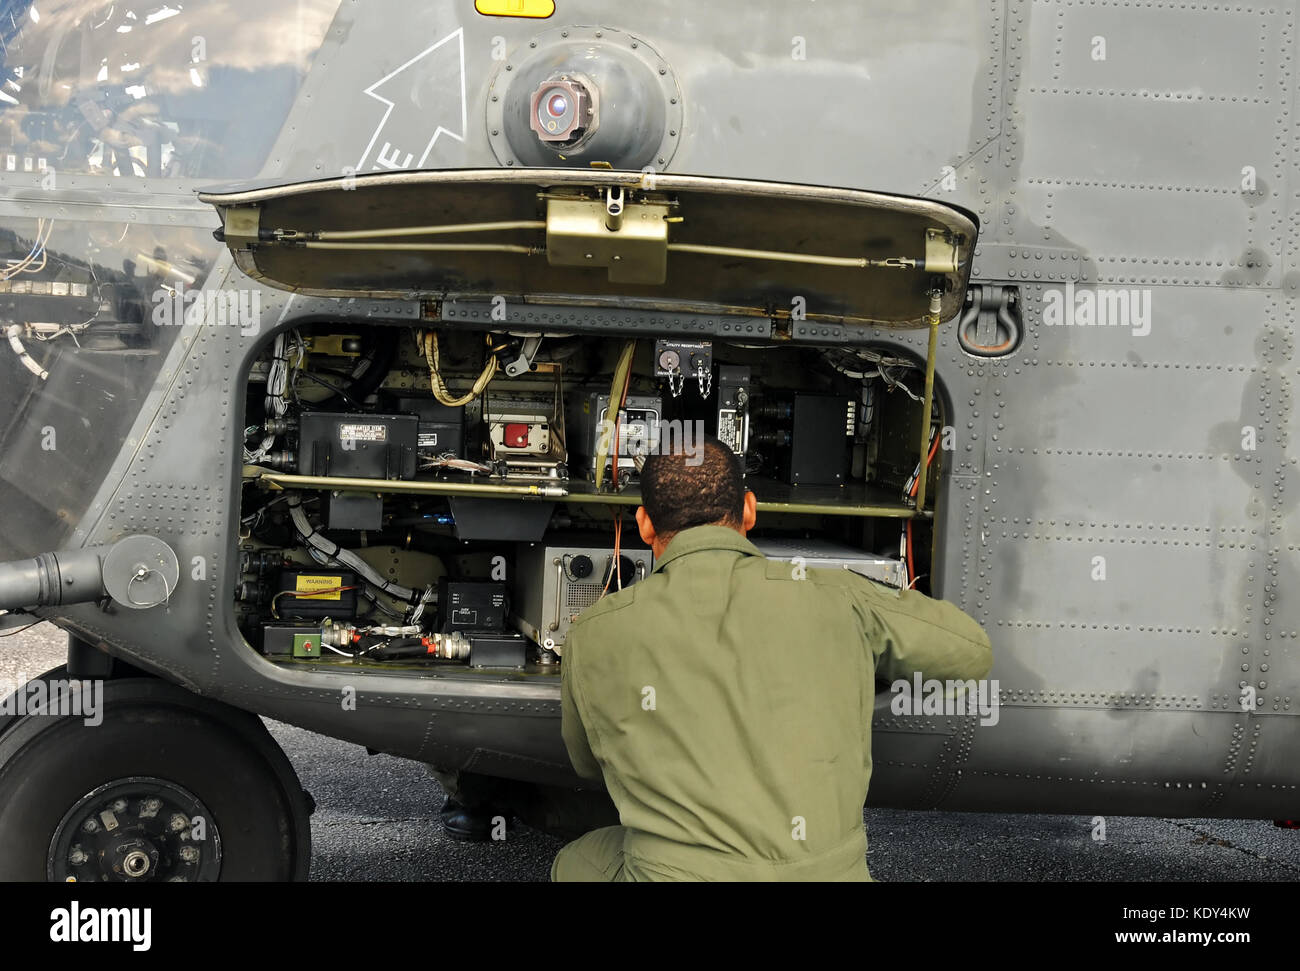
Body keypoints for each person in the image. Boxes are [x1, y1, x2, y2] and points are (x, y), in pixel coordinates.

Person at [551, 434, 992, 881]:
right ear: (749, 509)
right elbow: (972, 653)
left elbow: (586, 763)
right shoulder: (840, 595)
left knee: (574, 860)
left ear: (644, 524)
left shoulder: (595, 631)